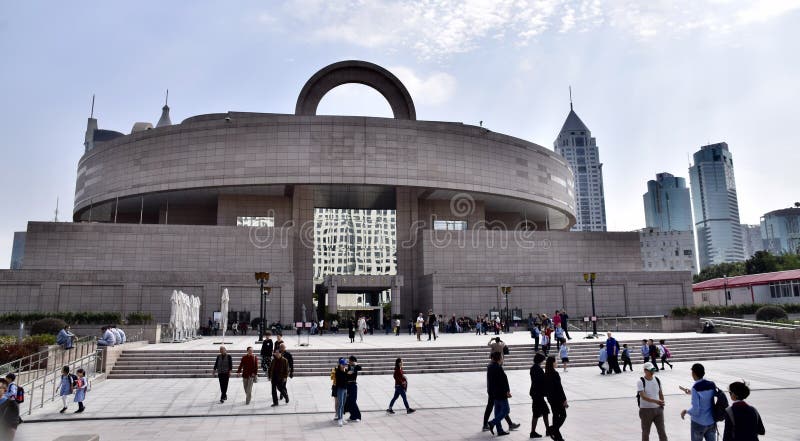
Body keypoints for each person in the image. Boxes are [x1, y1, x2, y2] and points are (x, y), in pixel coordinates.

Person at [680, 363, 717, 441]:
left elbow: (695, 410)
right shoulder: (711, 384)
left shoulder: (695, 388)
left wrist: (686, 411)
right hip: (711, 421)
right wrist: (691, 393)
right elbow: (706, 397)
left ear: (693, 373)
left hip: (698, 423)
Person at [638, 362, 667, 441]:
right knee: (646, 432)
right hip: (646, 410)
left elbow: (660, 393)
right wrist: (656, 401)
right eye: (651, 370)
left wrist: (662, 404)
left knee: (662, 431)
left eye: (653, 369)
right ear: (645, 370)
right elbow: (643, 396)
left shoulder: (657, 379)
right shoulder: (641, 381)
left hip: (658, 410)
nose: (652, 372)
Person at [486, 351, 511, 436]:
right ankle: (492, 423)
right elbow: (502, 382)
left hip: (494, 393)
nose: (502, 358)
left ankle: (499, 430)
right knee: (506, 410)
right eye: (501, 357)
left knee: (497, 411)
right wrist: (507, 392)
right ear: (499, 358)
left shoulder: (490, 366)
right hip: (501, 393)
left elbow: (490, 381)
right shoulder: (498, 368)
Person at [543, 356, 568, 441]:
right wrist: (564, 399)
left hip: (551, 398)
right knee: (563, 415)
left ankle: (557, 436)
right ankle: (552, 429)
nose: (557, 363)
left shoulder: (546, 373)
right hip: (558, 399)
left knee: (556, 415)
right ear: (552, 363)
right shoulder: (554, 373)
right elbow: (559, 388)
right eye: (556, 361)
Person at [529, 352, 551, 438]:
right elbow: (541, 381)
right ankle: (536, 432)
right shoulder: (537, 369)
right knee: (542, 412)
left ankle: (536, 431)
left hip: (535, 393)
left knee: (540, 413)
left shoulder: (533, 368)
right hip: (538, 394)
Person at [345, 355, 362, 422]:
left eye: (350, 361)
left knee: (353, 401)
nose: (349, 362)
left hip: (353, 385)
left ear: (353, 361)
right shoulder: (348, 366)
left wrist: (356, 364)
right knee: (348, 401)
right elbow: (346, 374)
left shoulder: (355, 367)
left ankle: (358, 416)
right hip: (348, 385)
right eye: (349, 361)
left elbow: (360, 368)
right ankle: (352, 416)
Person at [334, 358, 348, 426]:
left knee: (343, 404)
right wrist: (345, 372)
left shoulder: (345, 370)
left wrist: (346, 372)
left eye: (345, 364)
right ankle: (339, 419)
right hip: (340, 389)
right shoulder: (338, 371)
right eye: (343, 364)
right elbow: (341, 380)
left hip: (345, 389)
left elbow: (347, 379)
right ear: (340, 364)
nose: (345, 366)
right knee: (340, 404)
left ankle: (342, 418)